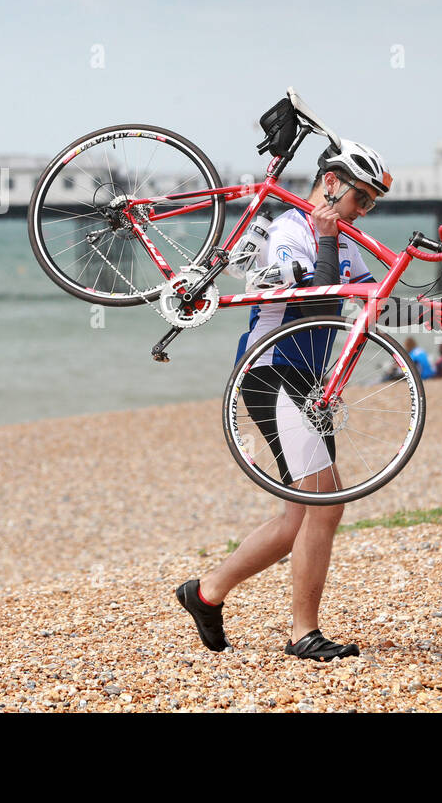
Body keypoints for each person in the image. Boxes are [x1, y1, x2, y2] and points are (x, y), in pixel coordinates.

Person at [176, 139, 406, 662]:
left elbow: (374, 303)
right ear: (330, 183)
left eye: (371, 204)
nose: (363, 211)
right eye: (360, 199)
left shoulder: (342, 242)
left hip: (311, 385)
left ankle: (206, 592)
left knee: (299, 516)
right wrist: (326, 241)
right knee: (326, 502)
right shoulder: (289, 230)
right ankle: (304, 632)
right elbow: (310, 298)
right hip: (271, 373)